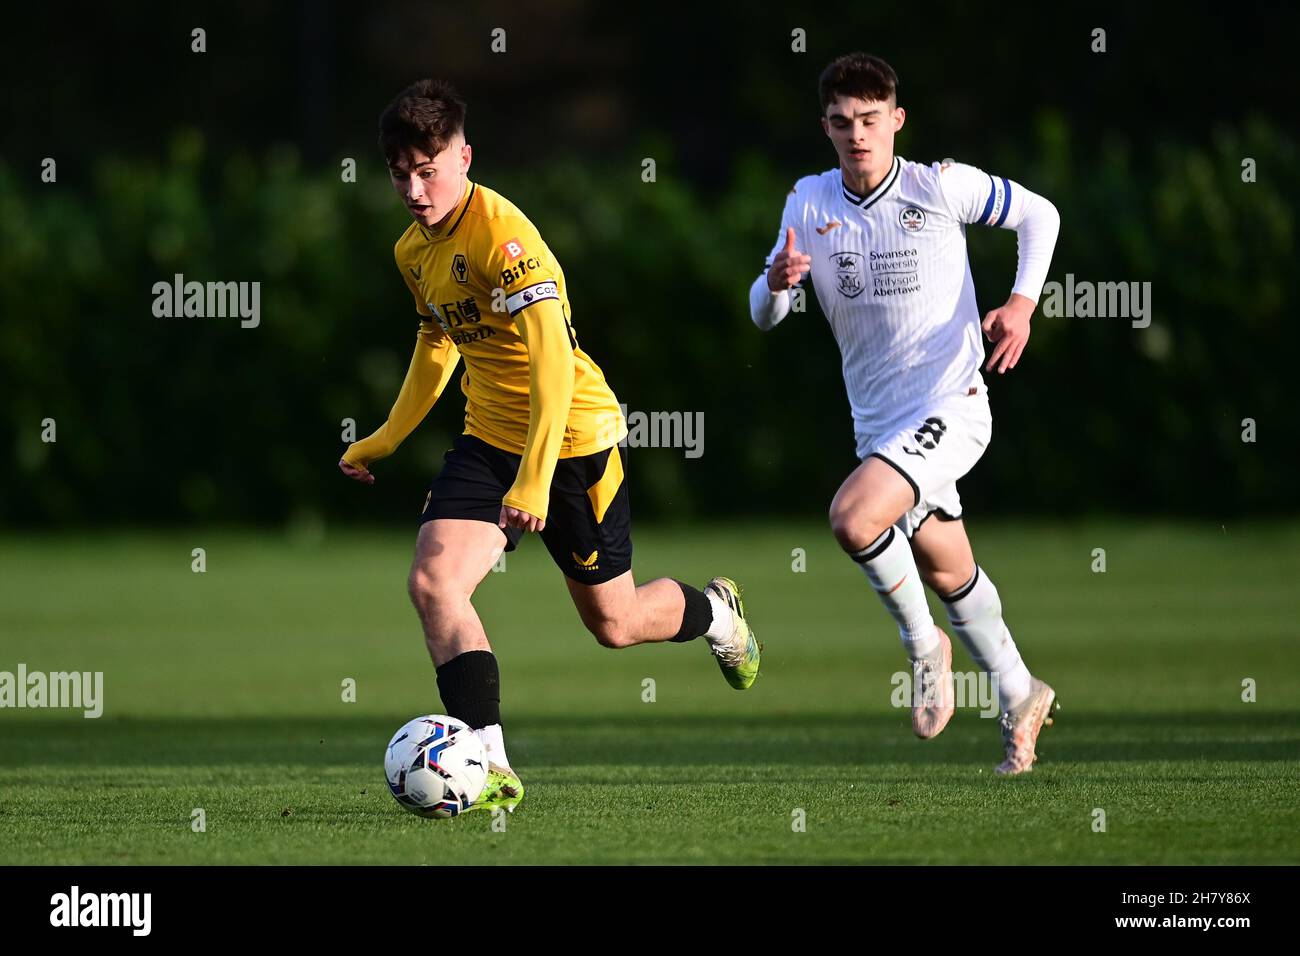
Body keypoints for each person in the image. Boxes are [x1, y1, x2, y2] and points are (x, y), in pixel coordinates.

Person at [341, 79, 761, 813]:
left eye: (427, 169)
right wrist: (384, 437)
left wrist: (534, 480)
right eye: (399, 172)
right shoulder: (414, 249)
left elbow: (553, 364)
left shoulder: (504, 236)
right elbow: (437, 337)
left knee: (616, 624)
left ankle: (718, 613)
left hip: (573, 440)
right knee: (433, 583)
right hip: (488, 439)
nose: (413, 187)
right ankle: (492, 764)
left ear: (464, 156)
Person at [750, 53, 1061, 774]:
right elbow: (764, 314)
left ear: (896, 119)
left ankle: (924, 646)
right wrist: (774, 283)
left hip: (953, 405)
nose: (856, 134)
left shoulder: (938, 184)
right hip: (880, 426)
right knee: (948, 568)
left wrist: (1021, 304)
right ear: (824, 126)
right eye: (840, 122)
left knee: (854, 518)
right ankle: (1020, 691)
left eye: (869, 119)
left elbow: (1039, 215)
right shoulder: (808, 203)